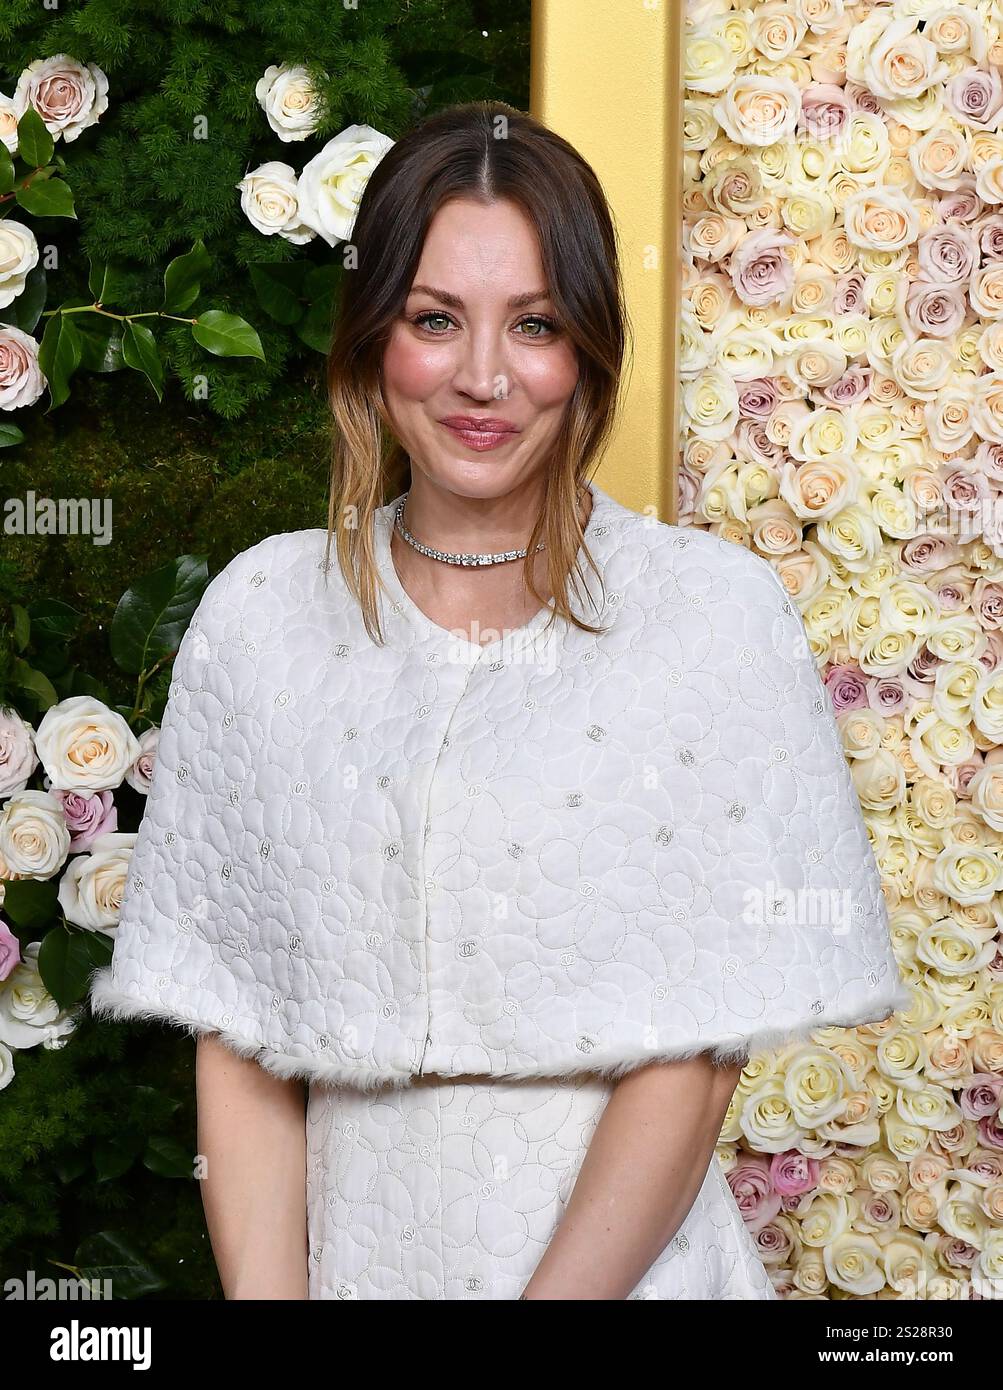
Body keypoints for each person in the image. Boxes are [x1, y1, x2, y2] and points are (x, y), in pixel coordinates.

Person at [88, 100, 911, 1301]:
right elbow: (240, 1035)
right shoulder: (261, 616)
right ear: (374, 340)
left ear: (586, 347)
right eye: (434, 320)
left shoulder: (708, 619)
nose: (484, 377)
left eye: (533, 323)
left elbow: (691, 1052)